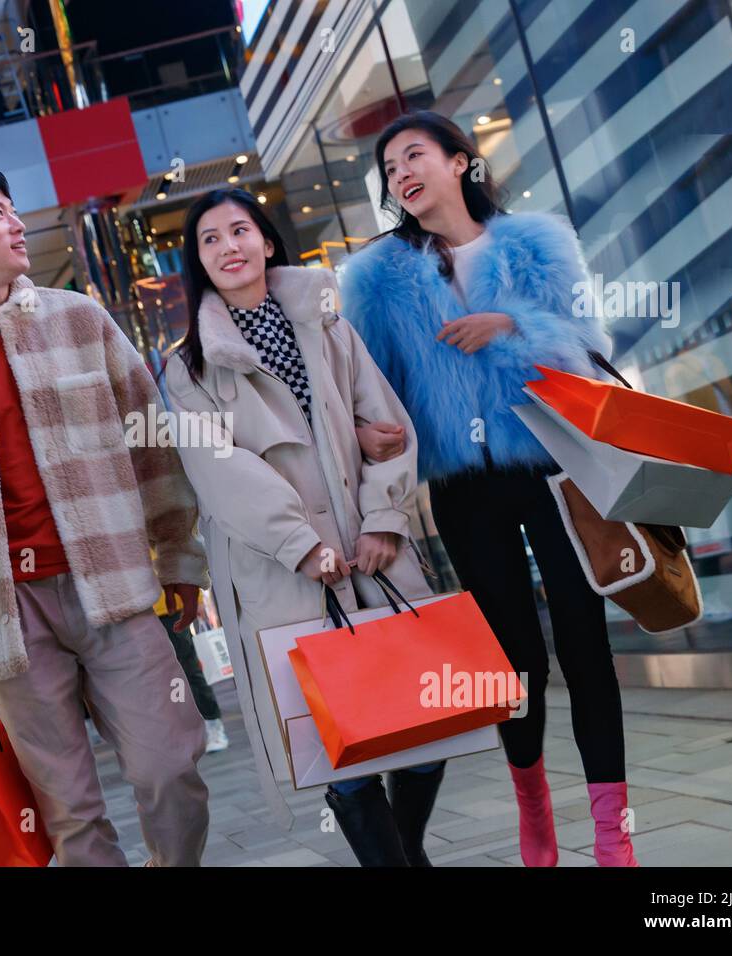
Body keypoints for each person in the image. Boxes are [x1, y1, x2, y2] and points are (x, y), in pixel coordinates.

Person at [0, 166, 211, 866]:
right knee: (71, 814)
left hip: (113, 589)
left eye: (14, 210)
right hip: (4, 615)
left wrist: (177, 554)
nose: (17, 223)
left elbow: (151, 445)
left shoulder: (79, 321)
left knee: (170, 767)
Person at [340, 110, 638, 867]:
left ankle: (612, 836)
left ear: (460, 162)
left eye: (415, 155)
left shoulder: (538, 243)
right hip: (464, 487)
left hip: (554, 465)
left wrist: (512, 325)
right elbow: (369, 388)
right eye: (390, 167)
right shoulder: (375, 278)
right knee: (513, 660)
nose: (401, 173)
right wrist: (373, 433)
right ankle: (535, 817)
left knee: (584, 635)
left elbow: (591, 350)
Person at [163, 187, 445, 867]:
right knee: (340, 755)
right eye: (210, 240)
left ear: (266, 241)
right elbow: (221, 471)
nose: (229, 247)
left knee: (426, 738)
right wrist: (301, 544)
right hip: (283, 575)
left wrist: (384, 518)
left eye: (240, 231)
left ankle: (403, 853)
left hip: (373, 557)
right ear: (199, 263)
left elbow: (388, 425)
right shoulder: (189, 364)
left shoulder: (327, 326)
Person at [153, 585, 227, 753]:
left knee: (189, 669)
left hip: (168, 607)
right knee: (163, 677)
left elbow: (182, 560)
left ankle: (213, 723)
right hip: (137, 614)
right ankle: (183, 729)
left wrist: (197, 600)